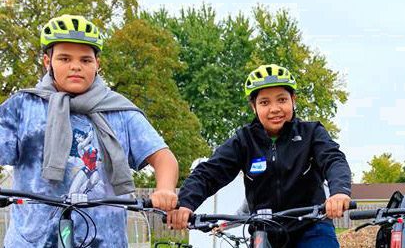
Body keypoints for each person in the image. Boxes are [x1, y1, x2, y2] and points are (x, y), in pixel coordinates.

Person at [0, 14, 179, 247]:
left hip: (105, 241)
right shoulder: (24, 106)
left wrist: (165, 190)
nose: (76, 66)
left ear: (98, 64)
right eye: (64, 58)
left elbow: (164, 158)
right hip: (32, 242)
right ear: (47, 62)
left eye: (86, 60)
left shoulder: (120, 111)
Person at [168, 64, 353, 248]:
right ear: (253, 107)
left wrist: (339, 192)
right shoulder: (244, 141)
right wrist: (185, 204)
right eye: (265, 102)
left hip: (312, 227)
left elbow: (333, 159)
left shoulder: (311, 133)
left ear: (293, 100)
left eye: (282, 100)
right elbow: (209, 173)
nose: (274, 109)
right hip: (263, 230)